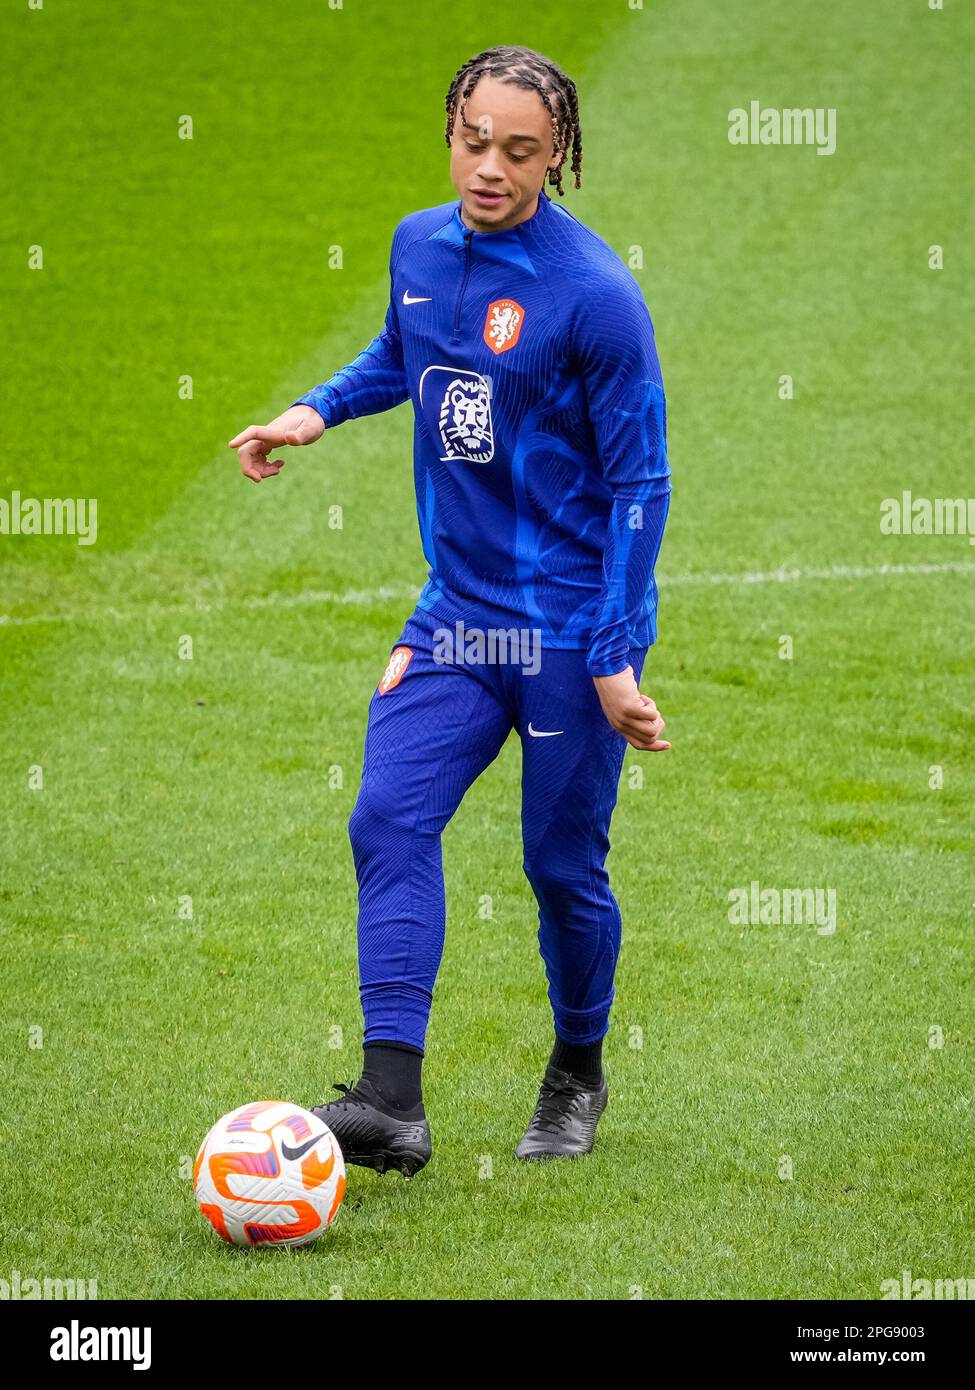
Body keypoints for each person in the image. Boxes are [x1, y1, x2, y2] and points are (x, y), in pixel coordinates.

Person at [229, 45, 671, 1175]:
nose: (490, 167)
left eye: (520, 150)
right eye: (475, 140)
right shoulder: (418, 245)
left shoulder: (596, 298)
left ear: (559, 152)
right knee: (387, 816)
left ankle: (577, 1070)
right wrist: (312, 413)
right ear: (451, 129)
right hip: (461, 616)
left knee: (559, 868)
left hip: (569, 628)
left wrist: (617, 655)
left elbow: (640, 485)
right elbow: (406, 350)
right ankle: (390, 1103)